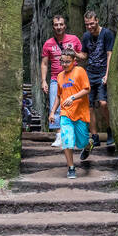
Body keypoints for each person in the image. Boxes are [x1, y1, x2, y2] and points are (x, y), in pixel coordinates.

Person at [49, 44, 90, 178]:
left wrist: (73, 97)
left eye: (67, 61)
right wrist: (52, 112)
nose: (64, 64)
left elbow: (87, 89)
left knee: (82, 142)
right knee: (67, 139)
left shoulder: (80, 71)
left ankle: (89, 145)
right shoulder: (60, 76)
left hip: (80, 113)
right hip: (65, 113)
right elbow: (59, 96)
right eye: (62, 61)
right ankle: (71, 168)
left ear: (74, 61)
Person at [40, 14, 82, 146]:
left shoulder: (74, 39)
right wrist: (43, 80)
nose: (59, 27)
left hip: (72, 78)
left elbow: (82, 55)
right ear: (53, 27)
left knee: (74, 105)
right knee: (55, 106)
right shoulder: (48, 43)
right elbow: (44, 63)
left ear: (65, 26)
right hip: (55, 79)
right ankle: (59, 136)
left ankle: (72, 134)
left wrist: (74, 53)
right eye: (56, 25)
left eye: (61, 24)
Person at [79, 10, 115, 149]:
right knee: (89, 105)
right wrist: (74, 53)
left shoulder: (106, 34)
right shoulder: (86, 36)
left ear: (97, 20)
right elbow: (84, 55)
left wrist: (107, 74)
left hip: (102, 73)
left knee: (103, 103)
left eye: (92, 23)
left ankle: (110, 129)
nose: (89, 26)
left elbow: (109, 55)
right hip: (90, 73)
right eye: (87, 24)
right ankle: (94, 136)